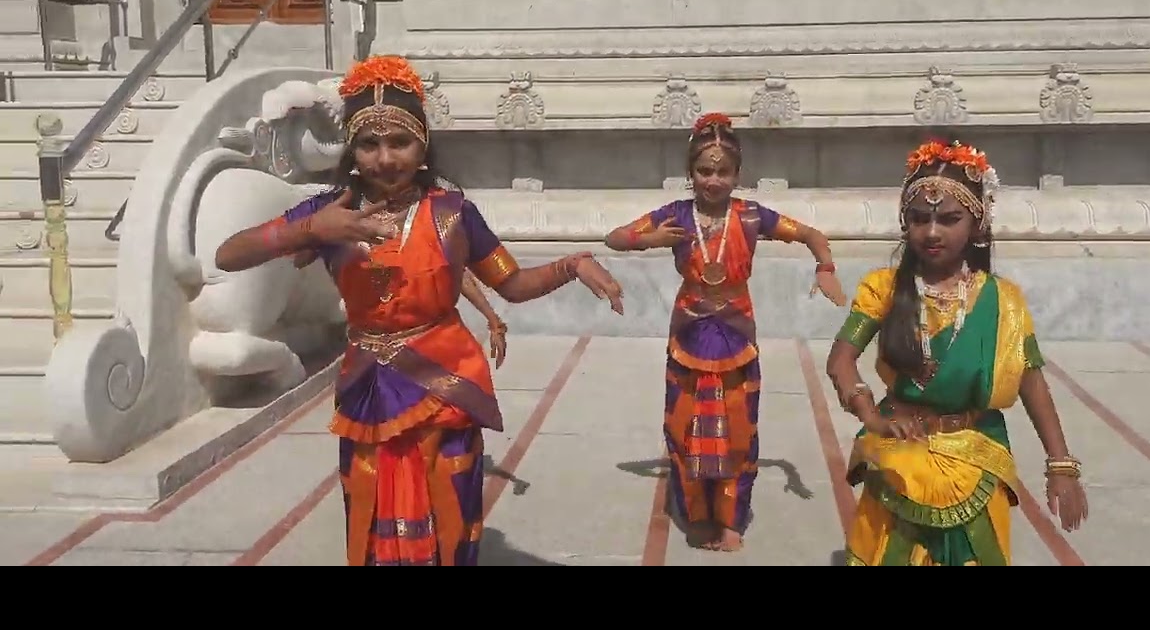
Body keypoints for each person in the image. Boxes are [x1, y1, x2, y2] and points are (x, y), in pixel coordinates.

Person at [213, 55, 624, 566]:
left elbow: (512, 284)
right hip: (369, 383)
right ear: (352, 150)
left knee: (452, 507)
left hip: (445, 377)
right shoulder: (330, 212)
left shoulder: (453, 214)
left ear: (423, 144)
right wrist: (309, 231)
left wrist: (572, 264)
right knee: (369, 505)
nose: (385, 159)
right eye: (369, 144)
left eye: (399, 142)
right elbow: (227, 255)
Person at [825, 138, 1089, 566]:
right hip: (899, 454)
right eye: (918, 219)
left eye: (949, 219)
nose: (931, 232)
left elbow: (1030, 379)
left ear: (978, 224)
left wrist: (1061, 465)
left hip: (977, 454)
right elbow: (840, 360)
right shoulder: (883, 289)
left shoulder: (1005, 302)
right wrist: (870, 415)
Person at [604, 112, 848, 552]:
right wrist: (652, 240)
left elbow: (811, 234)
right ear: (690, 173)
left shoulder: (751, 216)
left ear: (738, 174)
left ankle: (732, 521)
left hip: (736, 332)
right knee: (685, 427)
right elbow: (614, 238)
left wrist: (825, 267)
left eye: (723, 171)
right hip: (689, 334)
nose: (713, 180)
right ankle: (696, 516)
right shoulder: (677, 216)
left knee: (739, 428)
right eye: (704, 171)